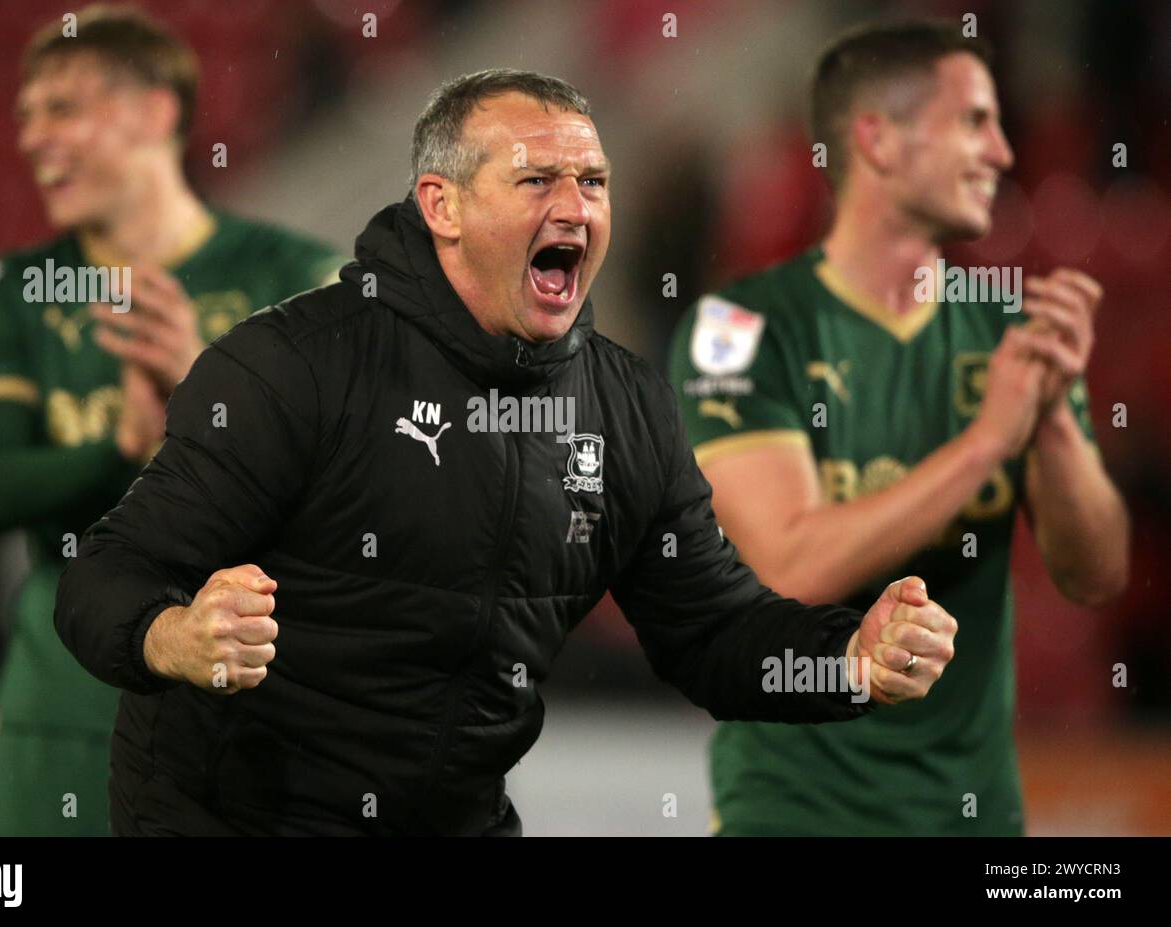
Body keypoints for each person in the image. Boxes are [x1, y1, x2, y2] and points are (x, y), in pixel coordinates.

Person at [55, 68, 958, 837]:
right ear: (440, 206)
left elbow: (712, 633)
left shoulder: (627, 408)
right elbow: (105, 576)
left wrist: (848, 660)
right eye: (537, 181)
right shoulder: (291, 367)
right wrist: (176, 636)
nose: (575, 206)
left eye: (594, 182)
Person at [668, 20, 1129, 836]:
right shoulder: (737, 326)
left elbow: (1095, 574)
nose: (1003, 153)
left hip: (976, 820)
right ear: (877, 140)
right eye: (972, 122)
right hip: (790, 815)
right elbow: (788, 567)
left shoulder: (1009, 327)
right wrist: (986, 441)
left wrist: (1051, 415)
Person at [0, 5, 339, 836]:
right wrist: (116, 448)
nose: (34, 138)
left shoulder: (297, 275)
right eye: (25, 115)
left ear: (157, 111)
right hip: (59, 717)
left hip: (244, 721)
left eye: (64, 108)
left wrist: (208, 400)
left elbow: (352, 481)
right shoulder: (10, 290)